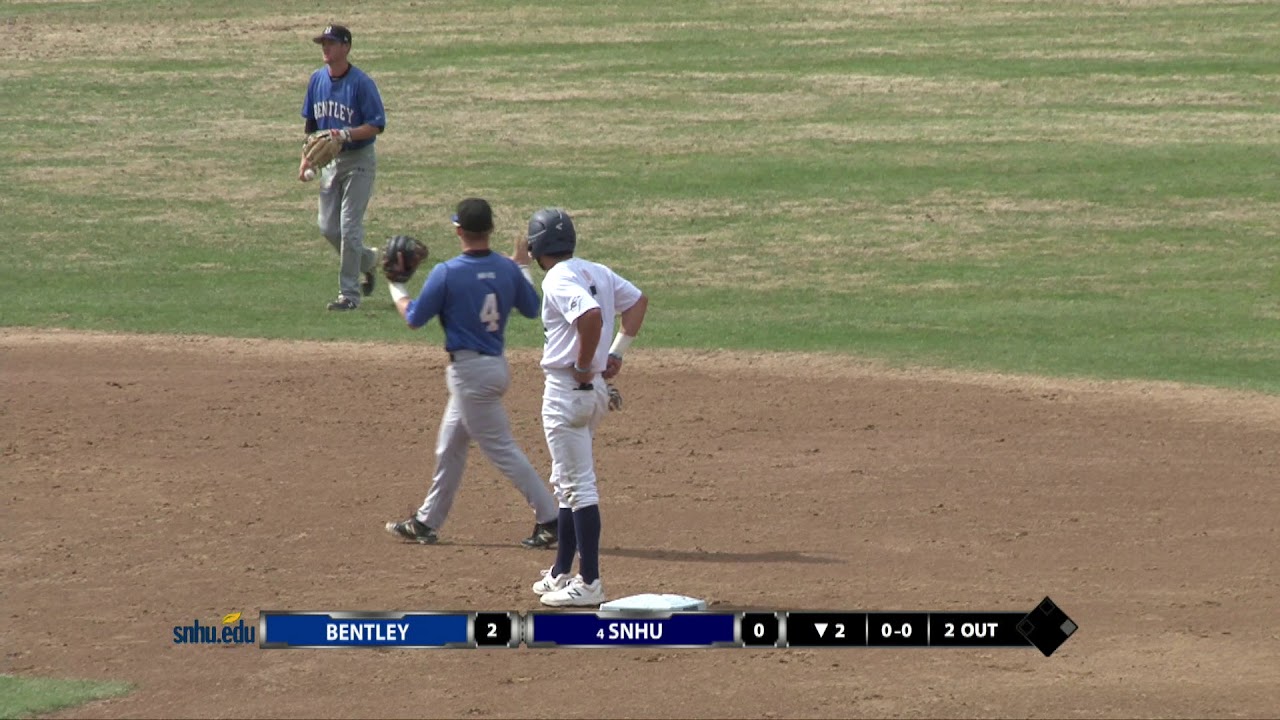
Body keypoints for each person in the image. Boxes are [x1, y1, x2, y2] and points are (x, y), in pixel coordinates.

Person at [384, 198, 560, 549]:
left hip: (469, 375)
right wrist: (521, 266)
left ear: (458, 230)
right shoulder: (507, 268)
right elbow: (531, 308)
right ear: (490, 229)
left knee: (501, 449)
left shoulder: (447, 272)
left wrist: (396, 286)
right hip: (493, 368)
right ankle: (426, 521)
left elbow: (414, 318)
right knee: (450, 445)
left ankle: (552, 519)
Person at [518, 208, 649, 607]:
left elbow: (589, 317)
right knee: (566, 480)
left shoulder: (558, 278)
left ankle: (589, 581)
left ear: (537, 247)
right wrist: (616, 353)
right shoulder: (597, 270)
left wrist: (583, 363)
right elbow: (637, 302)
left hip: (569, 390)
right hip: (592, 394)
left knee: (578, 485)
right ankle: (561, 571)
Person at [299, 24, 386, 311]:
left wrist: (345, 134)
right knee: (327, 227)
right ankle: (368, 260)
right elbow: (311, 129)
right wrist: (306, 159)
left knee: (349, 228)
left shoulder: (361, 83)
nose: (325, 47)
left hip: (359, 160)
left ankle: (349, 296)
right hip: (330, 163)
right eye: (323, 43)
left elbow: (376, 125)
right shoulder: (316, 80)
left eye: (331, 43)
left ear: (346, 47)